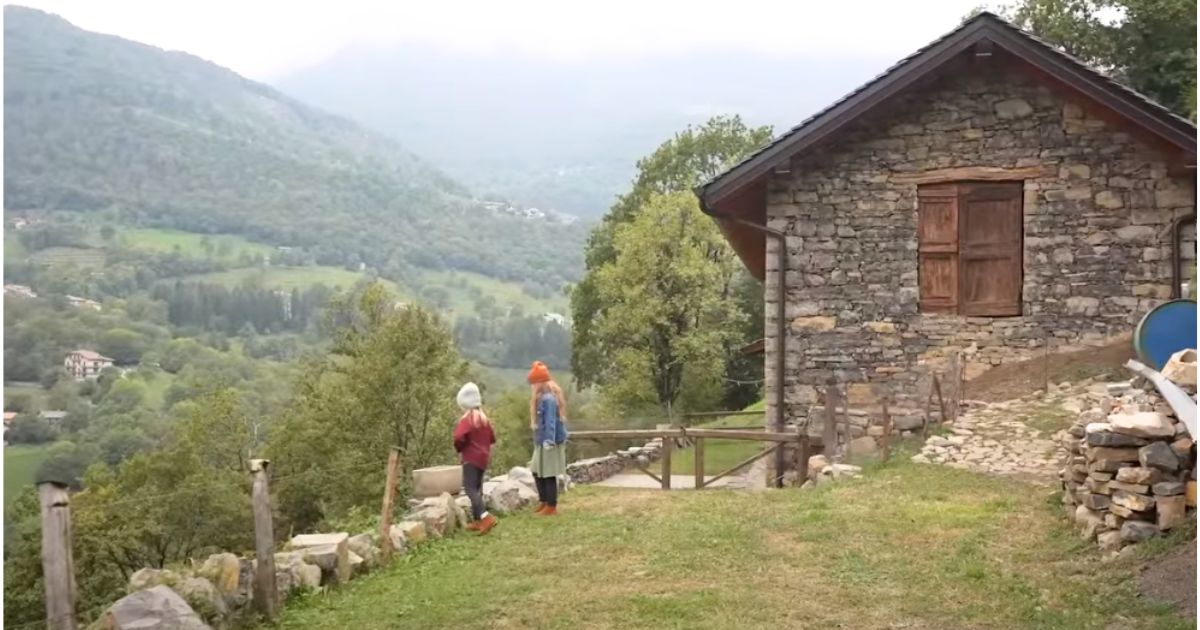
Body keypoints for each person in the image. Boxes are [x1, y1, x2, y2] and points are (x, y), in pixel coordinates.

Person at [453, 382, 497, 534]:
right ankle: (478, 520)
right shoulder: (484, 419)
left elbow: (458, 437)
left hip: (470, 458)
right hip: (483, 458)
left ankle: (485, 517)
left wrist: (460, 447)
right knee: (478, 489)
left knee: (470, 489)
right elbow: (492, 438)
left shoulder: (467, 419)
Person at [527, 361, 568, 516]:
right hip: (541, 441)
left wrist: (549, 440)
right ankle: (544, 501)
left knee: (548, 473)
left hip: (549, 441)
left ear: (540, 382)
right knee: (536, 471)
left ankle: (551, 505)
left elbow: (550, 421)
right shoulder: (541, 398)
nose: (532, 386)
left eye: (533, 383)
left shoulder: (548, 399)